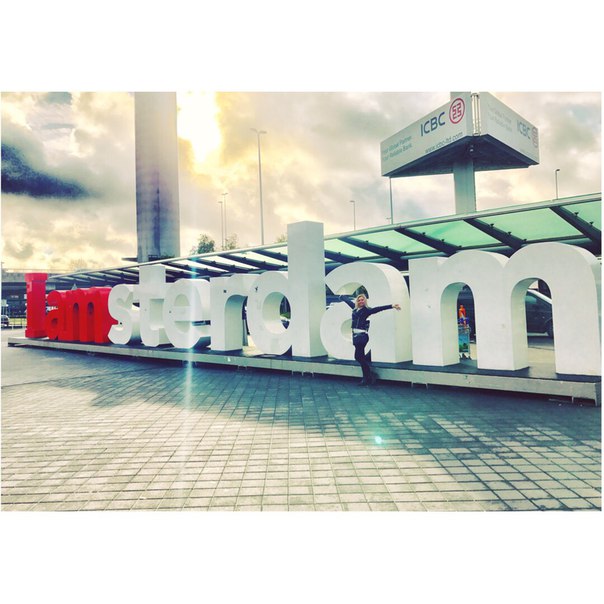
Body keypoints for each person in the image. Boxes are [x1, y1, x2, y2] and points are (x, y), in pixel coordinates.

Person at [341, 293, 401, 386]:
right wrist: (342, 296)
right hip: (355, 336)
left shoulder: (366, 310)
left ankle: (367, 377)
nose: (361, 301)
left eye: (362, 300)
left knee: (358, 357)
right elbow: (348, 301)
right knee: (359, 357)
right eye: (359, 300)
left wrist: (392, 306)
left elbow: (378, 309)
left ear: (365, 301)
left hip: (362, 336)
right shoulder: (355, 309)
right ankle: (368, 375)